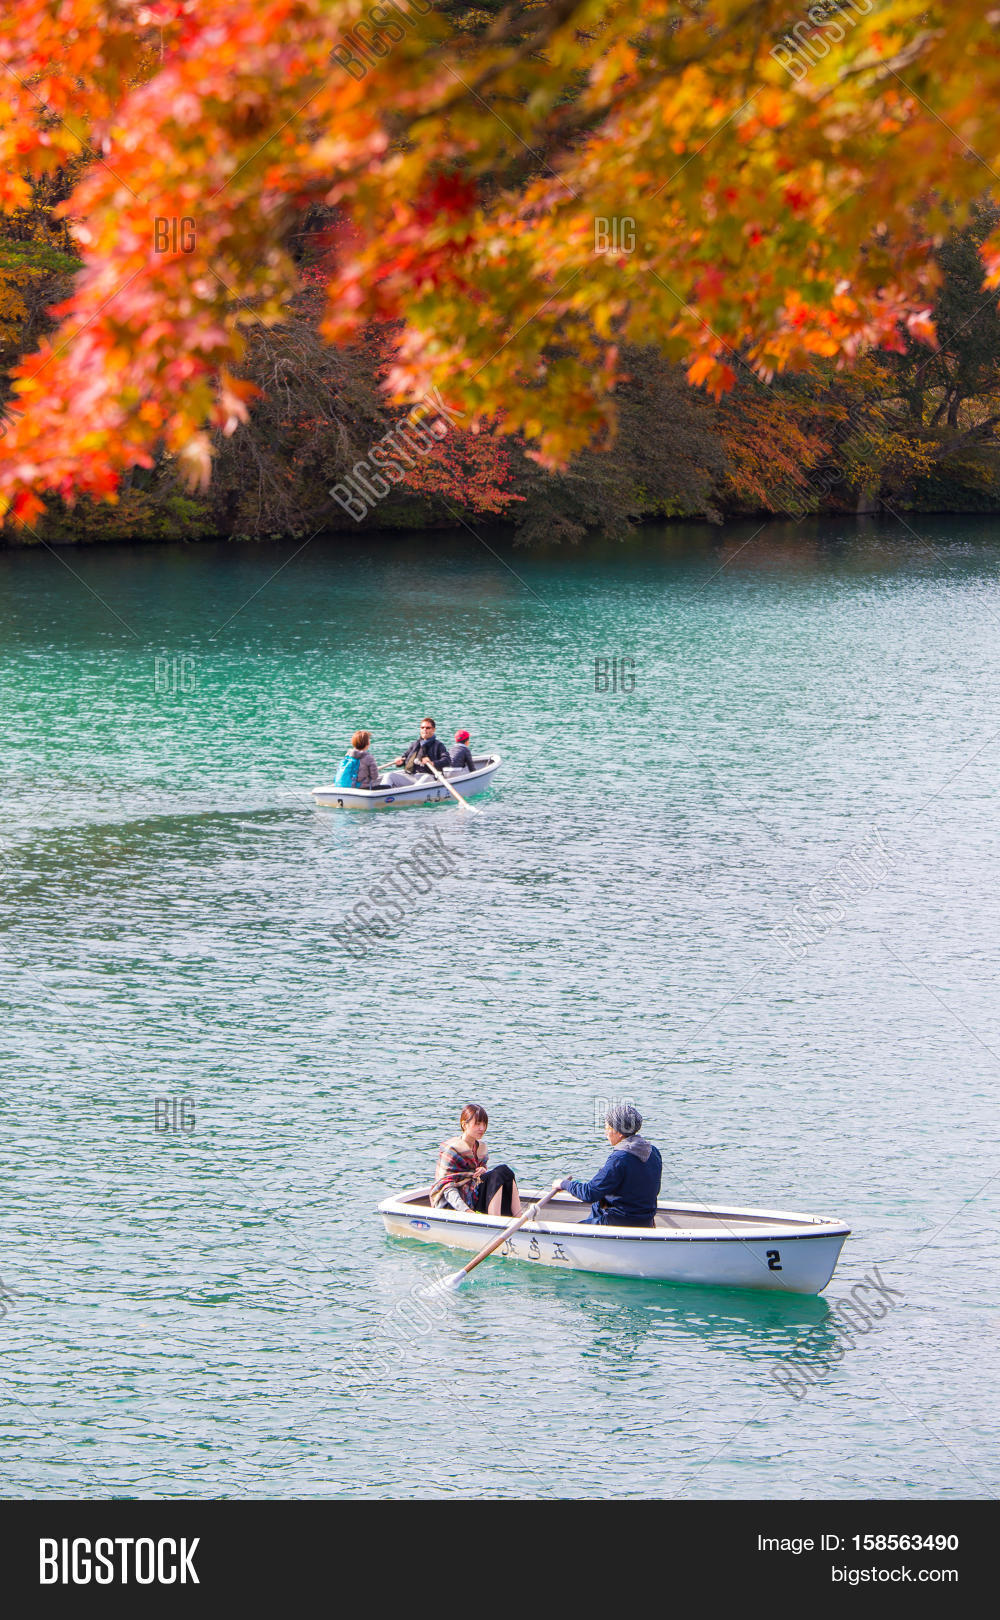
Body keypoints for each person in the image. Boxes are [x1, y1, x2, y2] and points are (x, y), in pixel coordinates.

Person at [552, 1102, 661, 1227]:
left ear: (619, 1133)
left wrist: (564, 1184)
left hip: (620, 1222)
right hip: (645, 1221)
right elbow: (654, 1190)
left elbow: (590, 1193)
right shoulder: (653, 1151)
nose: (606, 1133)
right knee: (599, 1204)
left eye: (607, 1128)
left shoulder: (619, 1158)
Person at [431, 1103, 522, 1218]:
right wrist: (466, 1211)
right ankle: (495, 1222)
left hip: (473, 1194)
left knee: (504, 1171)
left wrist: (483, 1170)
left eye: (484, 1124)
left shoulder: (481, 1149)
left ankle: (519, 1218)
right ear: (464, 1125)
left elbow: (475, 1176)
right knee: (497, 1175)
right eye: (477, 1124)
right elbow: (446, 1188)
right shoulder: (452, 1150)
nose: (482, 1128)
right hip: (453, 1205)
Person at [381, 716, 451, 787]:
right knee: (389, 775)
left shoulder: (438, 745)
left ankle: (411, 791)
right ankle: (384, 790)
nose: (424, 730)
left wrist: (432, 763)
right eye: (422, 727)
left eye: (427, 728)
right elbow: (405, 757)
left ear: (433, 730)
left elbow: (447, 760)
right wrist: (400, 762)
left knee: (426, 778)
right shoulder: (415, 744)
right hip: (412, 776)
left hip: (429, 776)